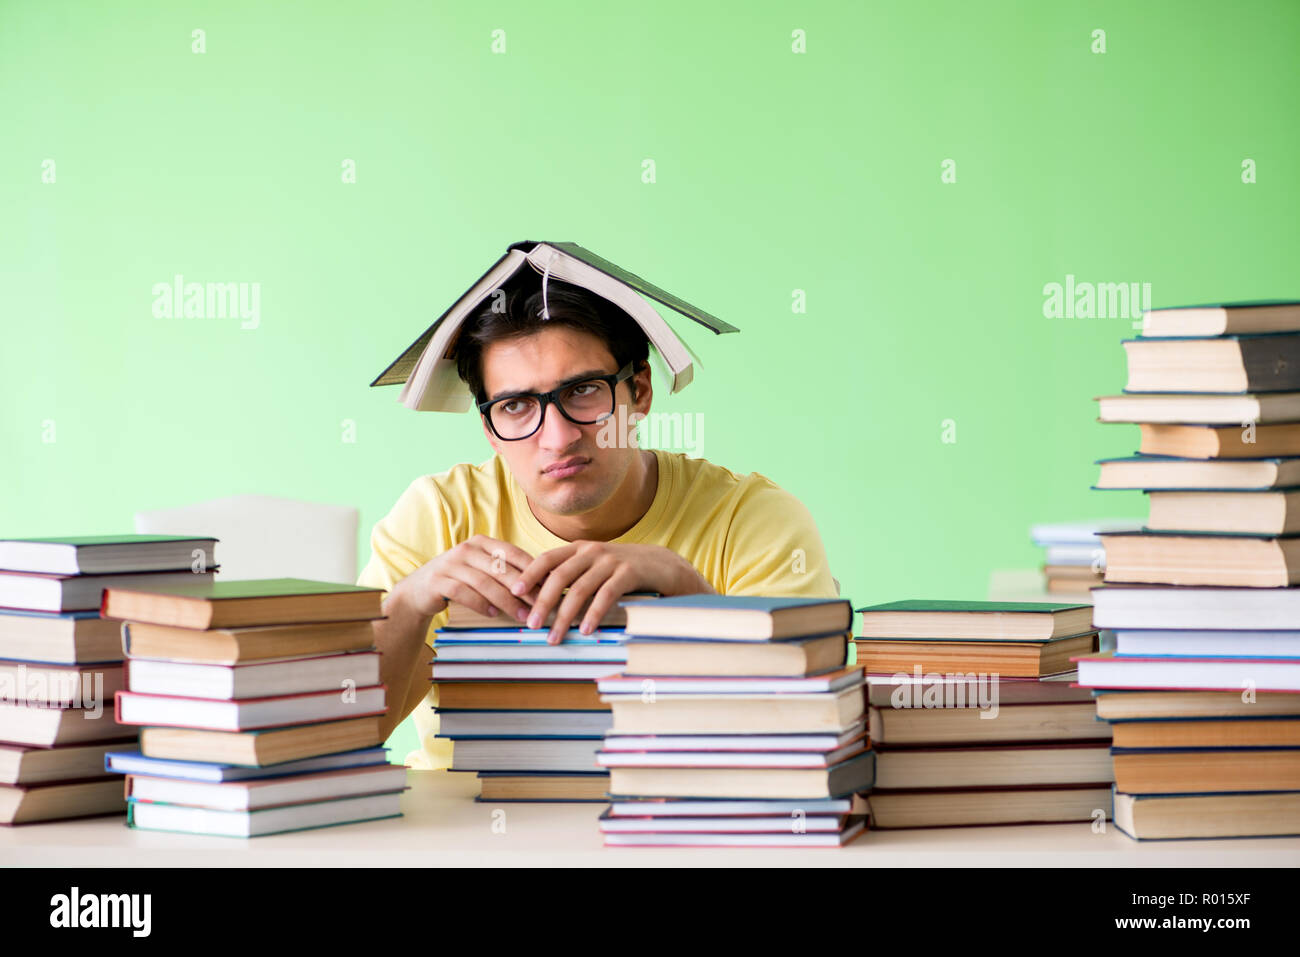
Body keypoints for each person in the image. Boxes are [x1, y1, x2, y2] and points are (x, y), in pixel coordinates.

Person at [358, 277, 839, 769]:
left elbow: (805, 731)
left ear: (641, 393)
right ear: (490, 430)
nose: (558, 437)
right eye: (516, 406)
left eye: (584, 391)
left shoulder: (752, 519)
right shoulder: (437, 515)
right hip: (462, 824)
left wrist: (685, 590)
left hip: (675, 823)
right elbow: (348, 728)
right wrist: (409, 603)